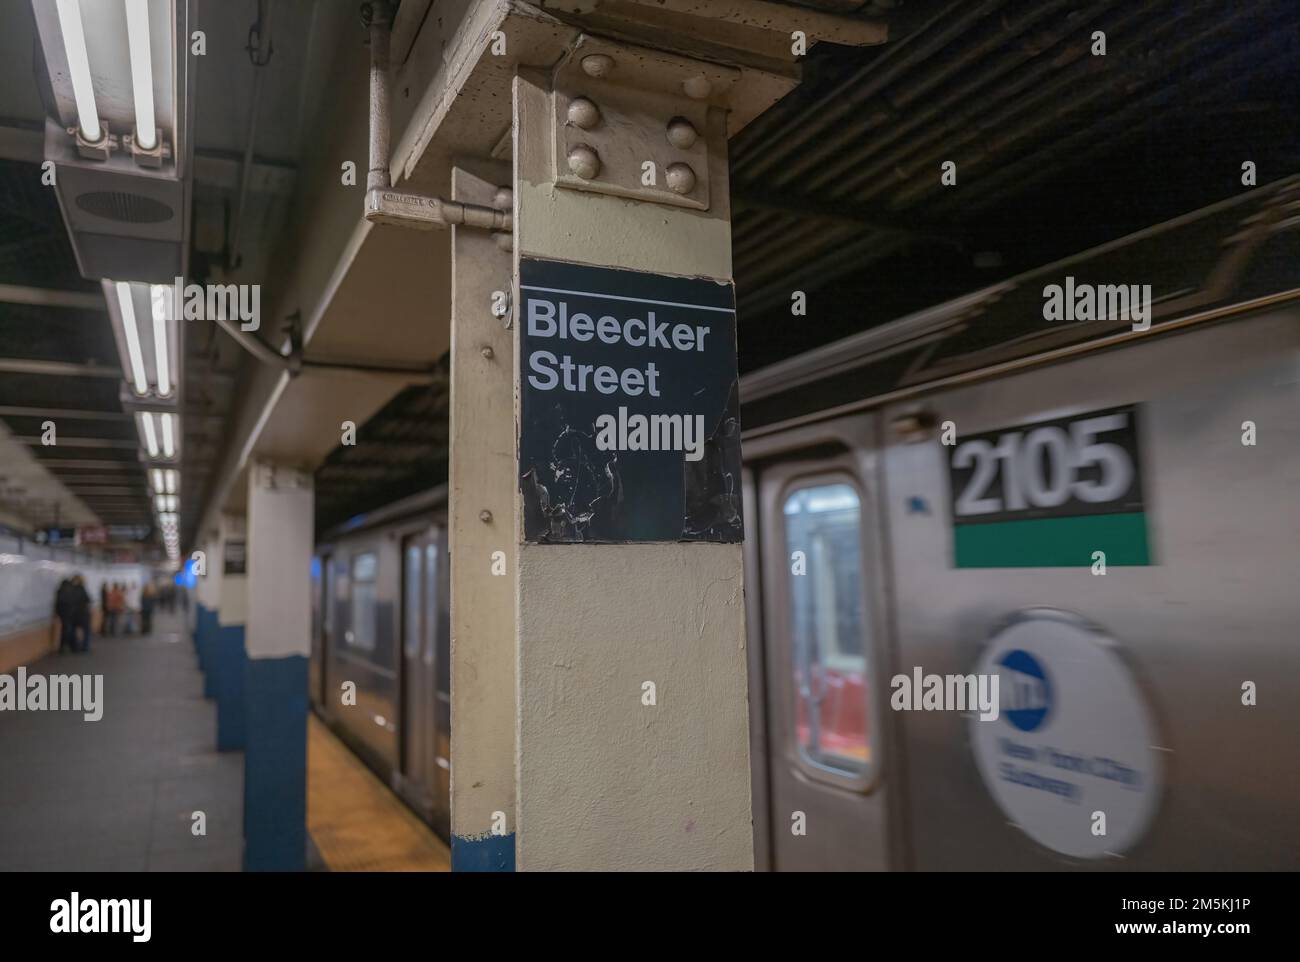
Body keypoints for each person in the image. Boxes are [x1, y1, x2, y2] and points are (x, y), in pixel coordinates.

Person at [69, 575, 92, 652]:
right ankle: (85, 647)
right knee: (87, 631)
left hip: (73, 614)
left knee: (73, 631)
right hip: (83, 614)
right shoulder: (82, 589)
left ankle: (75, 647)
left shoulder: (70, 590)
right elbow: (88, 600)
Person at [54, 577, 76, 654]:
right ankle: (67, 646)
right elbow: (73, 603)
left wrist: (57, 613)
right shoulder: (71, 591)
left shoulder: (60, 591)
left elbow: (57, 603)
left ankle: (63, 646)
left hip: (62, 614)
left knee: (64, 629)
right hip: (69, 613)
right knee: (67, 630)